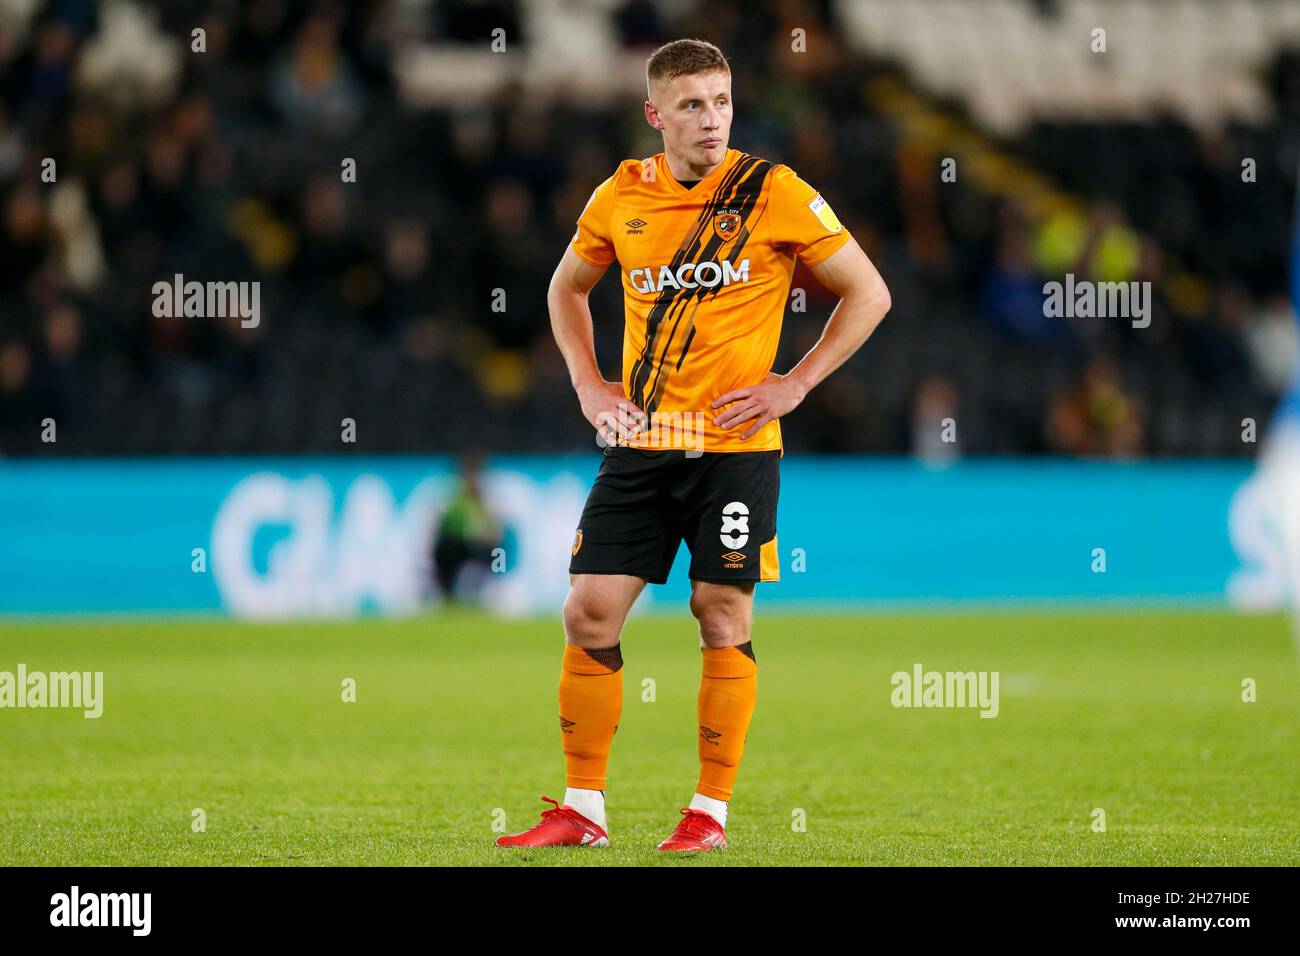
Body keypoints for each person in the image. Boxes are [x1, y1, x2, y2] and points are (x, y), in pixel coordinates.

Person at [497, 38, 891, 852]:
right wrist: (589, 386)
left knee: (720, 611)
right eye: (692, 106)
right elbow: (565, 287)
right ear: (656, 116)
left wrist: (797, 383)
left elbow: (869, 291)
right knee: (589, 610)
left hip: (738, 448)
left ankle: (707, 814)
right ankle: (583, 809)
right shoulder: (623, 193)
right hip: (643, 441)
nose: (712, 120)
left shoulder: (771, 190)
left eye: (722, 102)